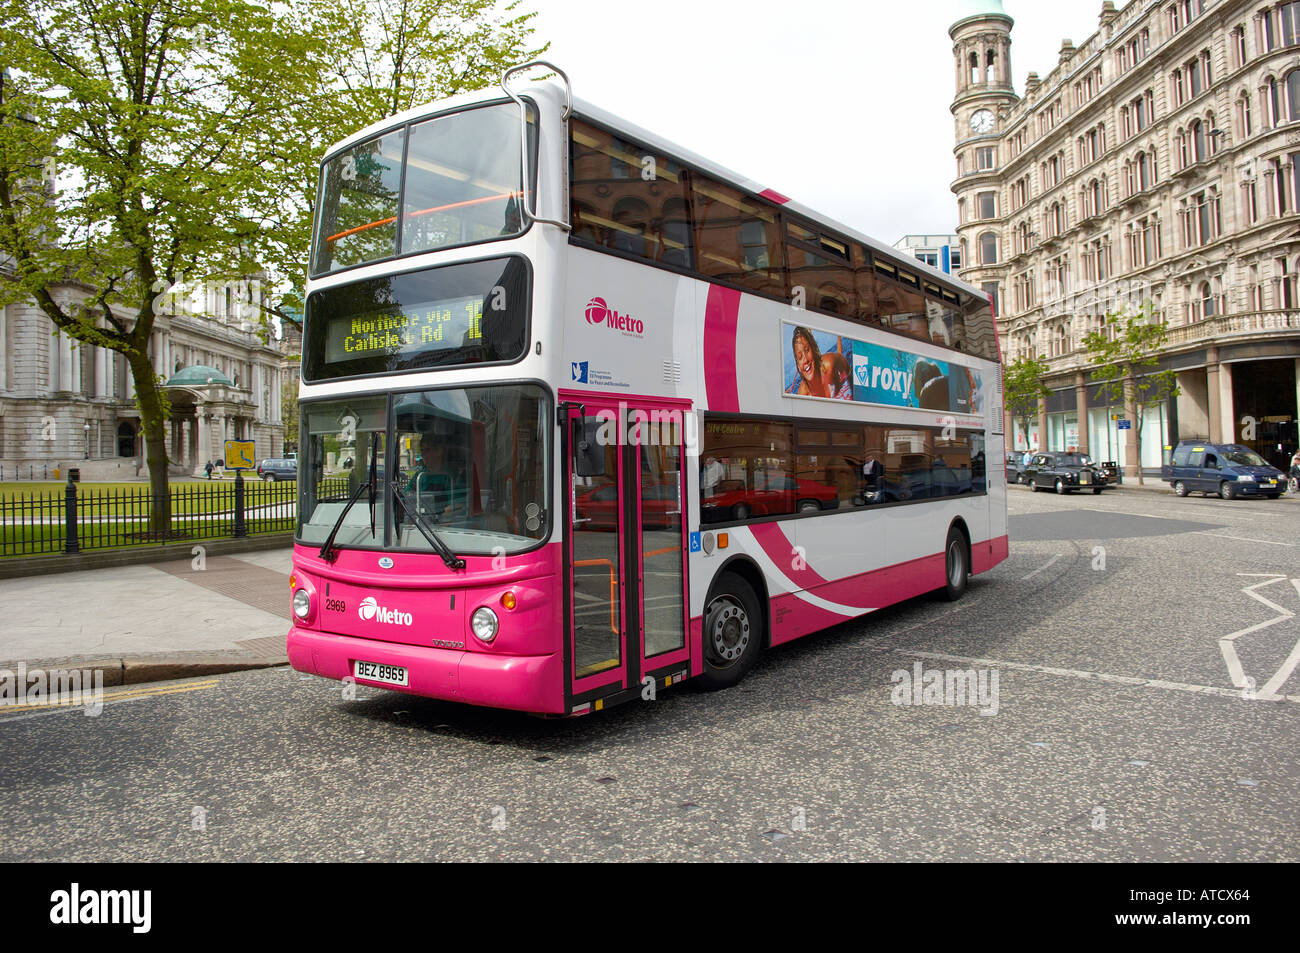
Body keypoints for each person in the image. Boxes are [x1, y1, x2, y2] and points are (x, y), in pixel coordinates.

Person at [407, 432, 463, 521]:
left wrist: (447, 515)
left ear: (439, 451)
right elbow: (407, 498)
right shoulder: (419, 476)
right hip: (420, 524)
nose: (423, 455)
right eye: (422, 450)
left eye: (427, 450)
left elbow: (457, 506)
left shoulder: (451, 477)